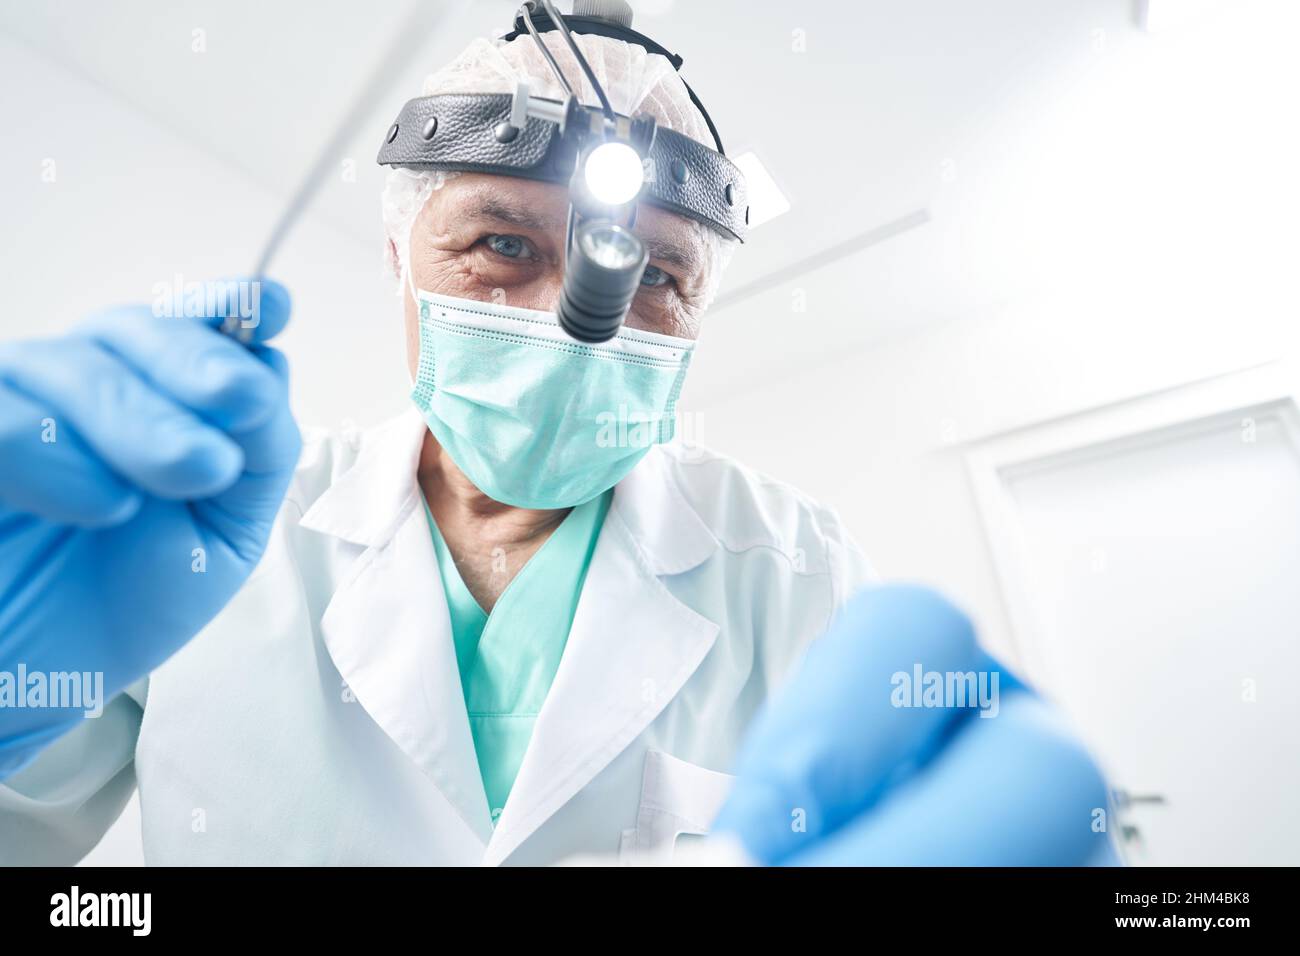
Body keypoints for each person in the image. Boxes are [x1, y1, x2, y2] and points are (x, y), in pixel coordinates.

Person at [0, 25, 1109, 866]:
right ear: (399, 259)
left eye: (657, 276)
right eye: (498, 242)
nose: (573, 318)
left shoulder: (791, 568)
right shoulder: (200, 537)